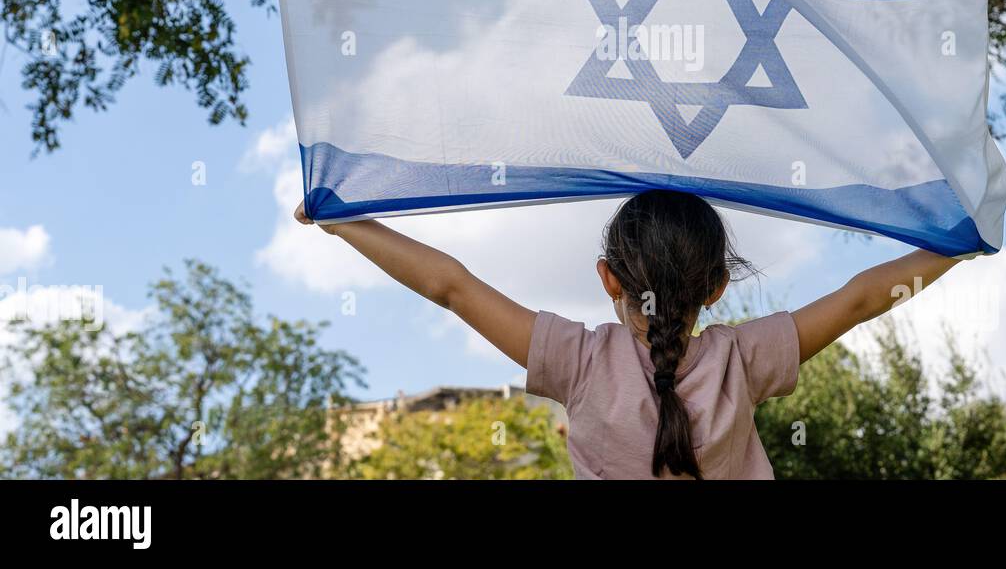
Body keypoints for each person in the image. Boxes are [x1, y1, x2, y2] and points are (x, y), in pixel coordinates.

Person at [295, 188, 961, 479]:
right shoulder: (745, 360)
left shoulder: (575, 362)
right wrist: (959, 246)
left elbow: (452, 287)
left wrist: (343, 222)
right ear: (717, 288)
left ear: (607, 278)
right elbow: (861, 300)